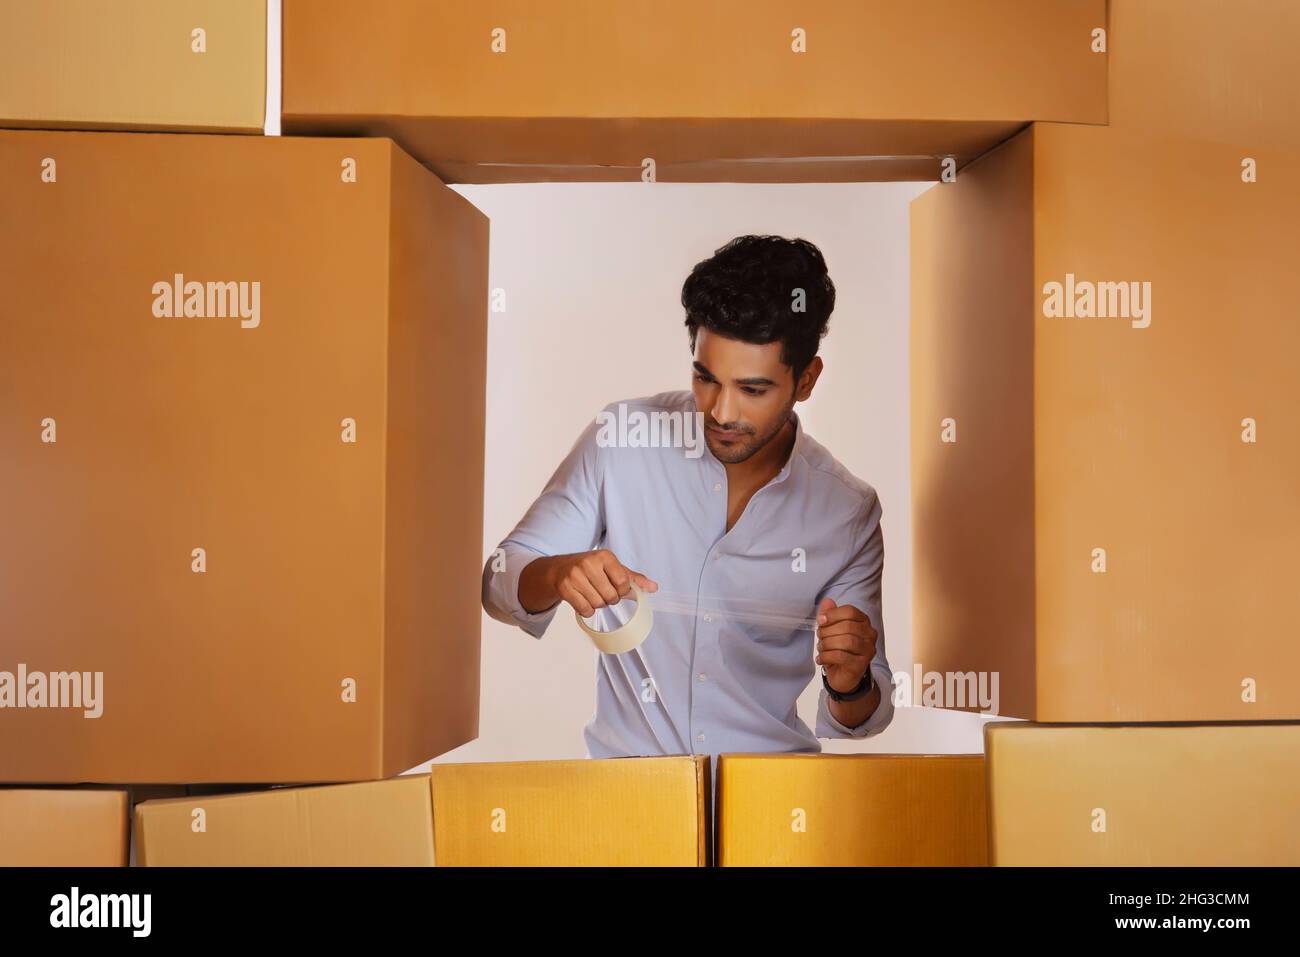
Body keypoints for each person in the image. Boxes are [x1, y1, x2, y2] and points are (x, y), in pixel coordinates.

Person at [482, 235, 893, 815]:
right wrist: (558, 571)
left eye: (753, 389)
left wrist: (849, 680)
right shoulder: (622, 438)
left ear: (806, 381)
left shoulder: (847, 511)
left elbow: (861, 716)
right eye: (706, 377)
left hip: (773, 810)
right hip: (629, 806)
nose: (721, 412)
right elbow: (499, 582)